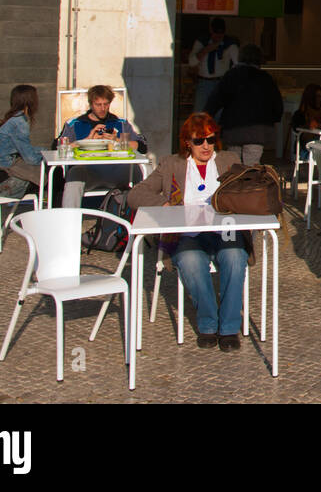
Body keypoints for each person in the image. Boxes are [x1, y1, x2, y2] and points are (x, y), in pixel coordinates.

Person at [128, 114, 248, 351]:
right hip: (187, 234)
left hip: (224, 231)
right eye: (199, 141)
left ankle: (229, 328)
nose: (206, 146)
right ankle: (208, 323)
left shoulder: (229, 160)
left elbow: (247, 188)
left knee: (235, 256)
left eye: (211, 140)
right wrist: (165, 205)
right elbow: (135, 195)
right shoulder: (171, 164)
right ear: (187, 142)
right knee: (191, 261)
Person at [56, 84, 147, 207]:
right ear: (91, 104)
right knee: (74, 174)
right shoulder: (75, 123)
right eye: (98, 105)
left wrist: (118, 140)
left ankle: (143, 216)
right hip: (90, 173)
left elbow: (142, 146)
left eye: (106, 104)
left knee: (142, 169)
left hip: (117, 172)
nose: (103, 108)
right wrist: (87, 140)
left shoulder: (120, 123)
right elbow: (58, 147)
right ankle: (69, 219)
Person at [205, 44, 284, 165]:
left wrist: (206, 117)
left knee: (234, 164)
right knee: (252, 165)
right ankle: (250, 183)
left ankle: (236, 183)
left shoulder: (231, 75)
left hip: (233, 129)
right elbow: (277, 105)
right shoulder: (265, 78)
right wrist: (272, 120)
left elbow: (215, 100)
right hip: (257, 132)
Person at [0, 85, 46, 200]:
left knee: (43, 175)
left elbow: (26, 150)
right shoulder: (19, 123)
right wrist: (48, 156)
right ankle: (52, 213)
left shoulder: (11, 120)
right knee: (52, 176)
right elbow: (31, 158)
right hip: (0, 186)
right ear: (30, 102)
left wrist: (44, 151)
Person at [188, 18, 240, 112]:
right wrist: (206, 50)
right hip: (204, 82)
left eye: (221, 33)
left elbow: (238, 65)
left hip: (221, 82)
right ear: (211, 30)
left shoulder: (230, 44)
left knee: (219, 114)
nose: (218, 36)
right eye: (216, 33)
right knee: (199, 114)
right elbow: (191, 62)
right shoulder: (202, 42)